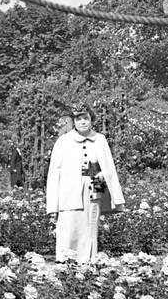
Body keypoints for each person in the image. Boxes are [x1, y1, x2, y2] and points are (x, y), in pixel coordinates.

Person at [46, 105, 125, 263]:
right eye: (79, 119)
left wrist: (109, 196)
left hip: (93, 190)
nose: (83, 122)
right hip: (68, 193)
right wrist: (52, 206)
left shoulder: (100, 139)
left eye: (86, 118)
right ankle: (65, 263)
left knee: (90, 228)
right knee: (69, 228)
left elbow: (107, 168)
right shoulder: (63, 142)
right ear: (73, 121)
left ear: (92, 120)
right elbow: (54, 174)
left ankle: (88, 263)